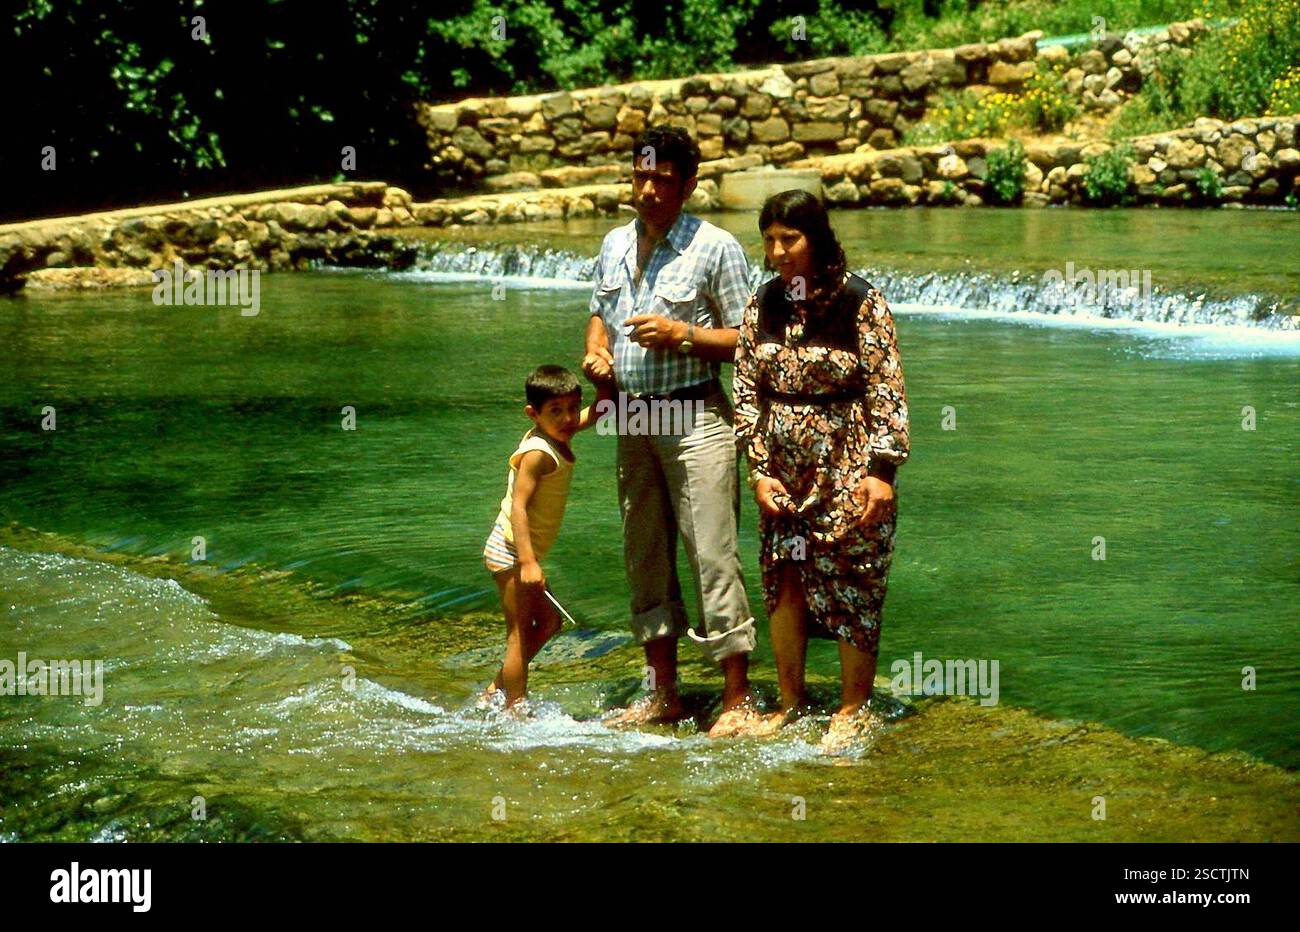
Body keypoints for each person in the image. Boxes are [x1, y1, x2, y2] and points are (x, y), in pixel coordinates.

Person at [582, 124, 762, 737]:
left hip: (695, 414)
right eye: (642, 175)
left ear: (688, 185)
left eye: (663, 178)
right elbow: (597, 317)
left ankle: (736, 699)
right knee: (645, 554)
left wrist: (682, 334)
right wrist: (596, 355)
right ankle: (665, 693)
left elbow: (752, 340)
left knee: (712, 551)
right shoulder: (613, 244)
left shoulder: (715, 248)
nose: (650, 187)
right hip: (633, 414)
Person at [733, 189, 910, 751]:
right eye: (769, 241)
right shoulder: (763, 303)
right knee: (784, 575)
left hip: (849, 465)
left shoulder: (860, 300)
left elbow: (887, 390)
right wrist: (758, 469)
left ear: (817, 238)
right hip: (783, 471)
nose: (779, 252)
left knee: (855, 579)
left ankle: (852, 706)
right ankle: (791, 703)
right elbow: (745, 390)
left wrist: (882, 471)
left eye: (790, 239)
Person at [482, 365, 610, 710]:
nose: (568, 418)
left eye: (572, 407)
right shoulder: (539, 452)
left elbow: (601, 410)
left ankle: (497, 689)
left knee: (551, 622)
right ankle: (516, 710)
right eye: (556, 411)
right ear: (533, 414)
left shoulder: (559, 433)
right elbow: (519, 508)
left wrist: (603, 382)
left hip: (522, 552)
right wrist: (527, 562)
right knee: (519, 635)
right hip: (510, 551)